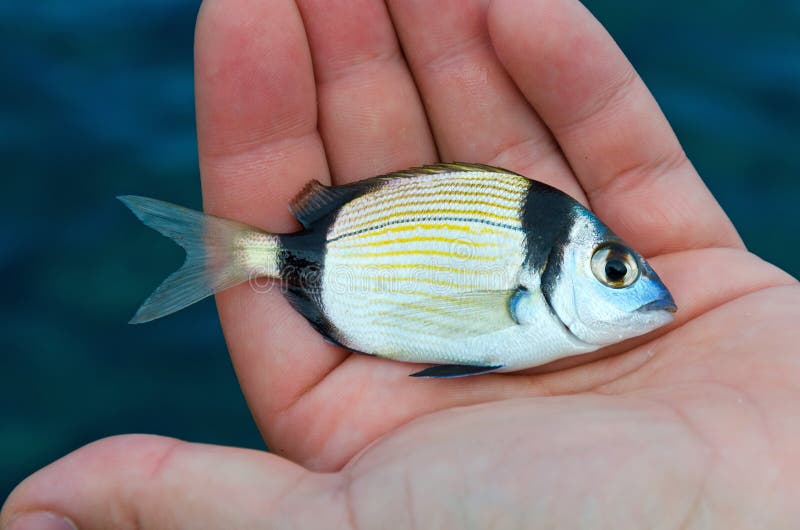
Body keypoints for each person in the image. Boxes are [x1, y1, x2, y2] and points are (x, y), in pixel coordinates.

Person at [3, 0, 799, 528]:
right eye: (615, 271)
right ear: (555, 271)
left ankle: (249, 256)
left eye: (617, 270)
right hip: (331, 267)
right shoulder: (544, 305)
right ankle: (243, 255)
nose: (642, 289)